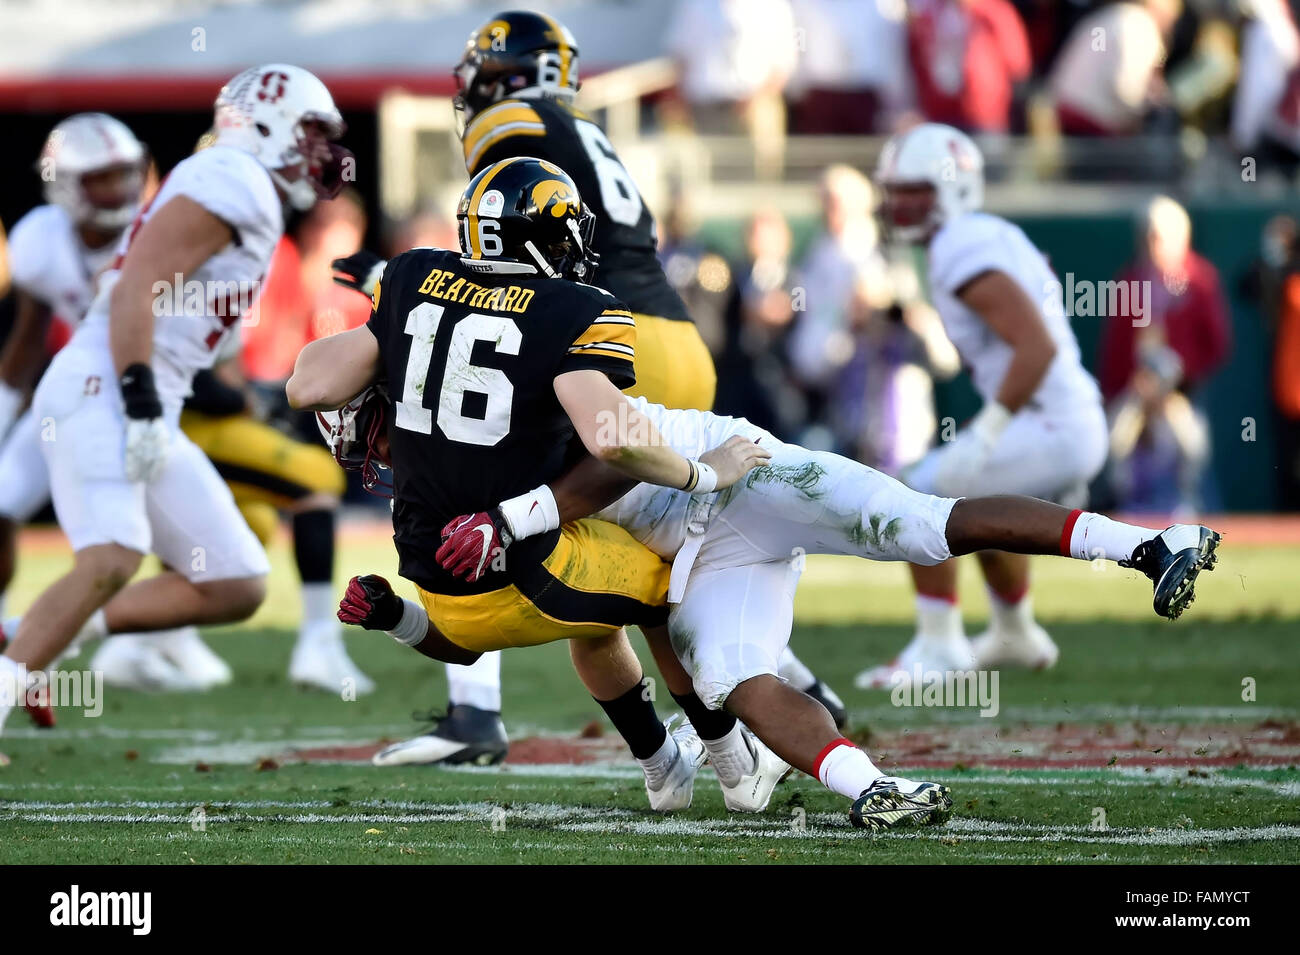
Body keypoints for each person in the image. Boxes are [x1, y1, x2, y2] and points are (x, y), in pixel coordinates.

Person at [366, 8, 842, 768]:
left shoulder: (512, 121)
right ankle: (789, 686)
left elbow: (493, 247)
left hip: (596, 334)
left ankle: (493, 715)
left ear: (516, 74)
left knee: (491, 481)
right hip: (673, 333)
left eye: (486, 72)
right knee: (657, 535)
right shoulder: (581, 129)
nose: (475, 87)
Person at [293, 157, 790, 815]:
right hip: (518, 569)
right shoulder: (577, 309)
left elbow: (306, 386)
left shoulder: (413, 276)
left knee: (598, 610)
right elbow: (615, 440)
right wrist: (703, 471)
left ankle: (661, 766)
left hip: (431, 579)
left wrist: (387, 328)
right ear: (541, 236)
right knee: (671, 583)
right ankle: (734, 760)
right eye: (563, 233)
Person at [0, 65, 352, 757]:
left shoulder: (241, 187)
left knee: (235, 582)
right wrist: (139, 402)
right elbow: (135, 291)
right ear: (267, 122)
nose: (320, 151)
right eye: (311, 132)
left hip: (144, 393)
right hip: (108, 386)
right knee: (113, 555)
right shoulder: (232, 178)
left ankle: (26, 634)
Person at [857, 123, 1109, 688]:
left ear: (953, 188)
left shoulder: (959, 243)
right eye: (894, 190)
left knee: (917, 493)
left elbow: (1036, 346)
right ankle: (1015, 632)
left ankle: (940, 645)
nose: (898, 204)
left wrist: (988, 432)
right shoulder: (980, 235)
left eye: (914, 191)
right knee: (981, 508)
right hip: (1061, 416)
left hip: (1051, 419)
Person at [0, 114, 230, 694]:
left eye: (126, 174)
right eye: (100, 178)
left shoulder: (164, 226)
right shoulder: (40, 240)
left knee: (167, 528)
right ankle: (16, 634)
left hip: (162, 392)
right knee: (5, 500)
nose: (120, 190)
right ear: (64, 183)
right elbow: (27, 343)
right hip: (79, 394)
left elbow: (215, 338)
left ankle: (153, 639)